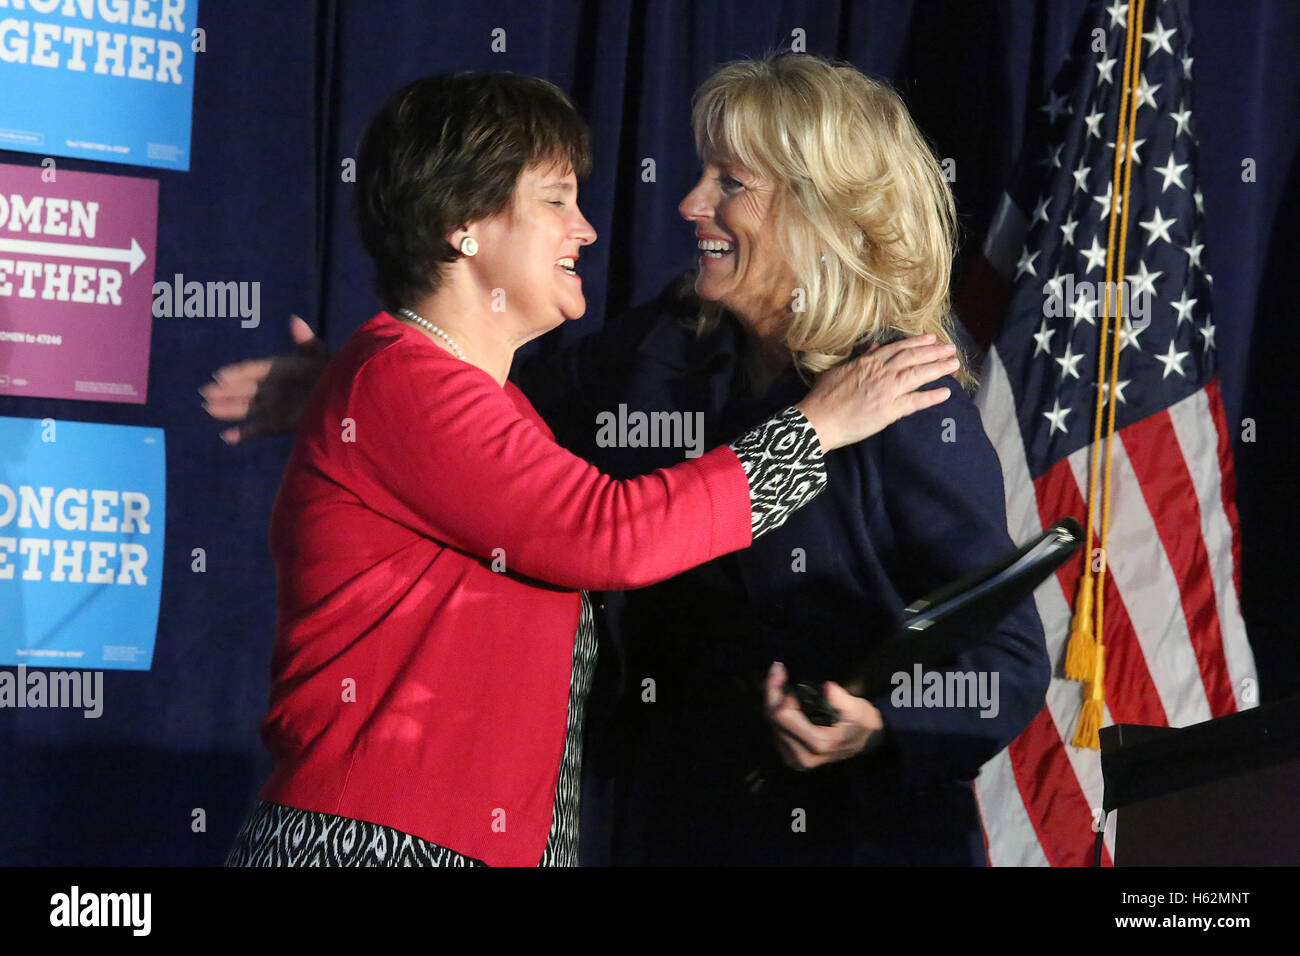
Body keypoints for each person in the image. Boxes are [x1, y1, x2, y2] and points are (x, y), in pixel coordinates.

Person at [218, 69, 958, 868]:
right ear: (465, 222)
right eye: (555, 199)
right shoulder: (403, 379)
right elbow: (609, 532)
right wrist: (816, 427)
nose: (586, 230)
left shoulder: (477, 400)